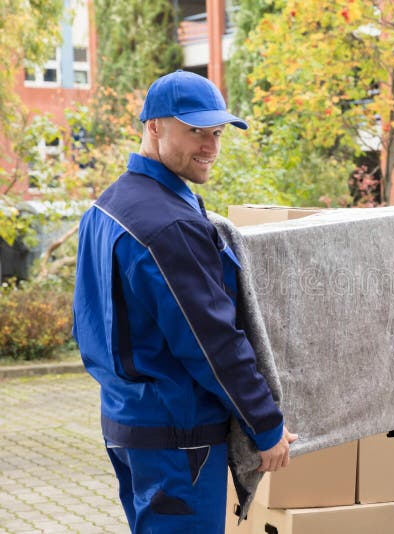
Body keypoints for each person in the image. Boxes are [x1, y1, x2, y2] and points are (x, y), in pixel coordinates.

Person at [72, 70, 297, 533]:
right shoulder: (166, 223)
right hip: (178, 439)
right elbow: (212, 343)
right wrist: (266, 425)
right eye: (195, 131)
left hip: (130, 425)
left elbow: (85, 326)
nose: (210, 147)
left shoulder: (107, 206)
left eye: (216, 133)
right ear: (154, 126)